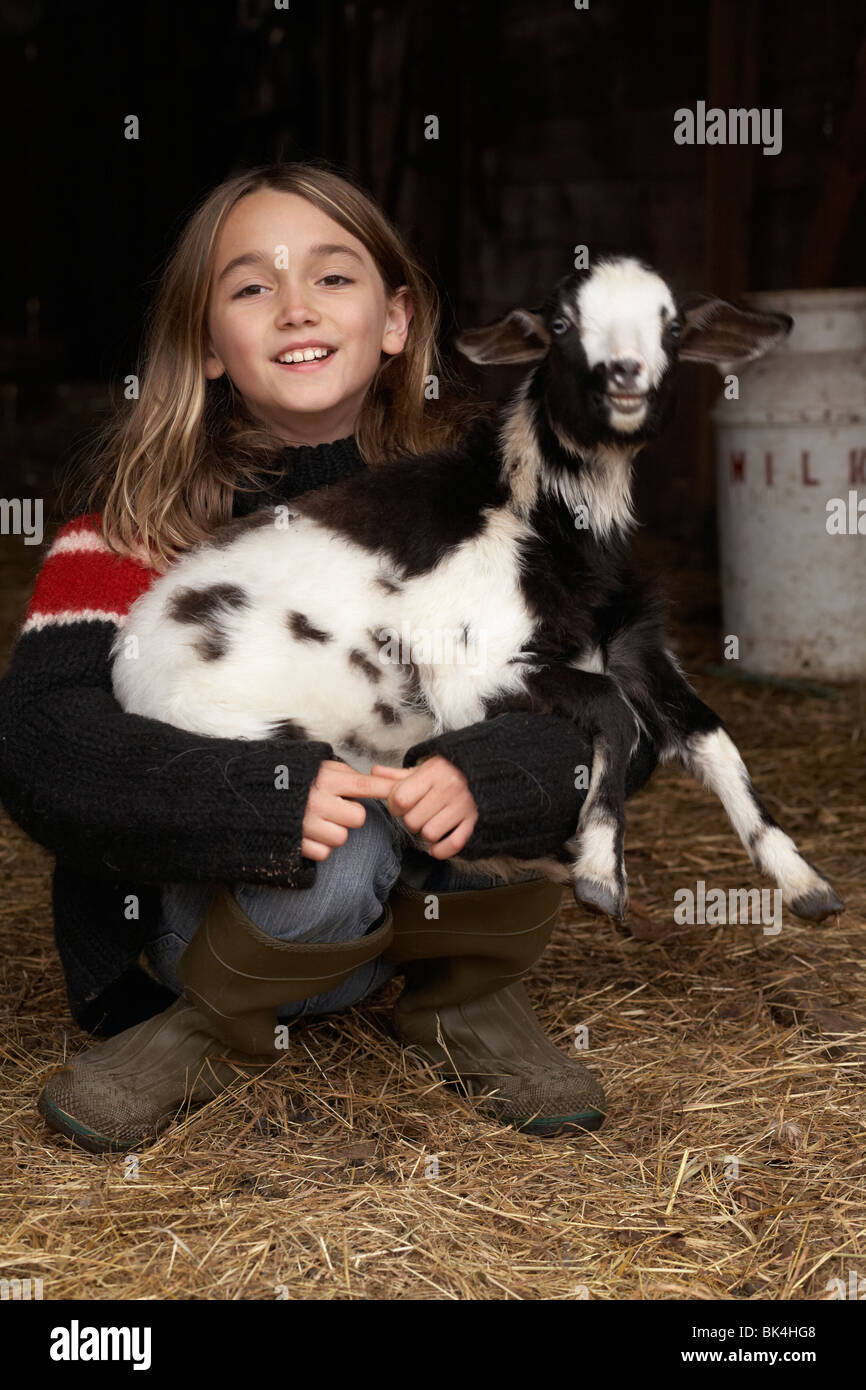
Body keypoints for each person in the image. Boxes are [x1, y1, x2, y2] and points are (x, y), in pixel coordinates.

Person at [0, 162, 657, 1153]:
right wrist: (258, 794)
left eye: (332, 277)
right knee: (339, 843)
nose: (295, 307)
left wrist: (483, 780)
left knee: (482, 719)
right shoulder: (129, 534)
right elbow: (41, 741)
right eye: (252, 286)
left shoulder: (489, 518)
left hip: (417, 915)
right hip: (217, 923)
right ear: (207, 345)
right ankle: (205, 1025)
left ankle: (459, 993)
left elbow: (629, 713)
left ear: (395, 323)